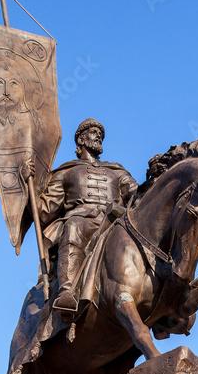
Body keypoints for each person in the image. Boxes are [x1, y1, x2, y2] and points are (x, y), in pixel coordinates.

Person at [22, 118, 138, 315]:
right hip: (83, 220)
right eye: (93, 132)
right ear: (81, 140)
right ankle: (67, 292)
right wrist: (28, 185)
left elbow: (136, 194)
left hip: (115, 222)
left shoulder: (117, 171)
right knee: (74, 225)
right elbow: (44, 212)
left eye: (100, 133)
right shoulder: (67, 172)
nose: (98, 135)